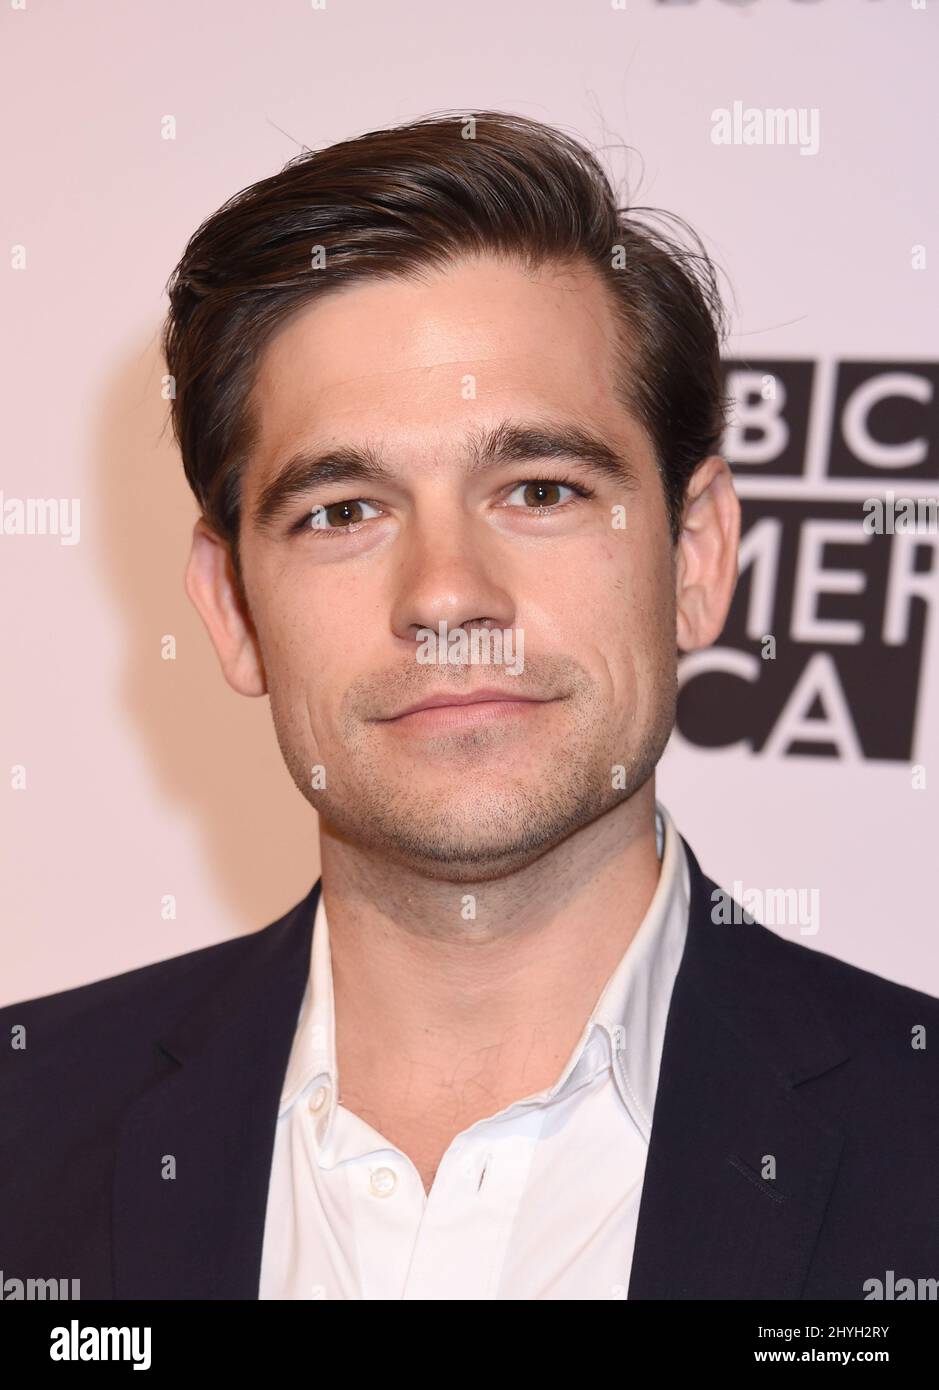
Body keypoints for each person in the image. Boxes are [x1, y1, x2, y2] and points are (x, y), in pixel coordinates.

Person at [2, 111, 937, 1302]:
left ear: (696, 555)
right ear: (232, 607)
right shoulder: (24, 1132)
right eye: (343, 510)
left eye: (539, 489)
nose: (447, 594)